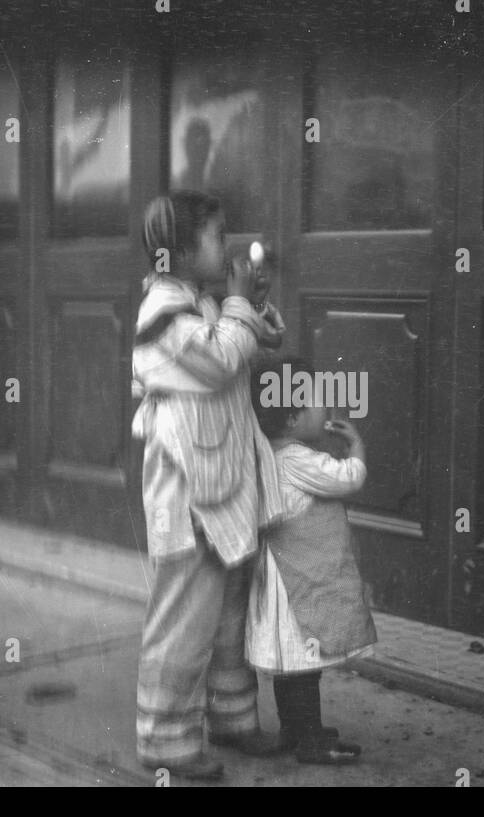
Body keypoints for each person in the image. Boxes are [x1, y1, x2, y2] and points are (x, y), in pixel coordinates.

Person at [131, 190, 287, 779]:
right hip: (185, 496)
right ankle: (164, 740)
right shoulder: (163, 315)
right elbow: (221, 359)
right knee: (185, 618)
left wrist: (252, 306)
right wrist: (240, 310)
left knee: (230, 611)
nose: (225, 248)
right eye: (216, 237)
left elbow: (247, 341)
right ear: (178, 249)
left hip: (220, 485)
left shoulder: (199, 302)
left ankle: (232, 715)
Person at [248, 356, 375, 765]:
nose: (327, 406)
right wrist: (356, 449)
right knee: (304, 666)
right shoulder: (297, 460)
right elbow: (346, 478)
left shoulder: (273, 453)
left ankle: (298, 729)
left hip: (286, 580)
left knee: (295, 668)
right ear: (290, 420)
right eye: (318, 400)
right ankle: (311, 743)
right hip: (298, 588)